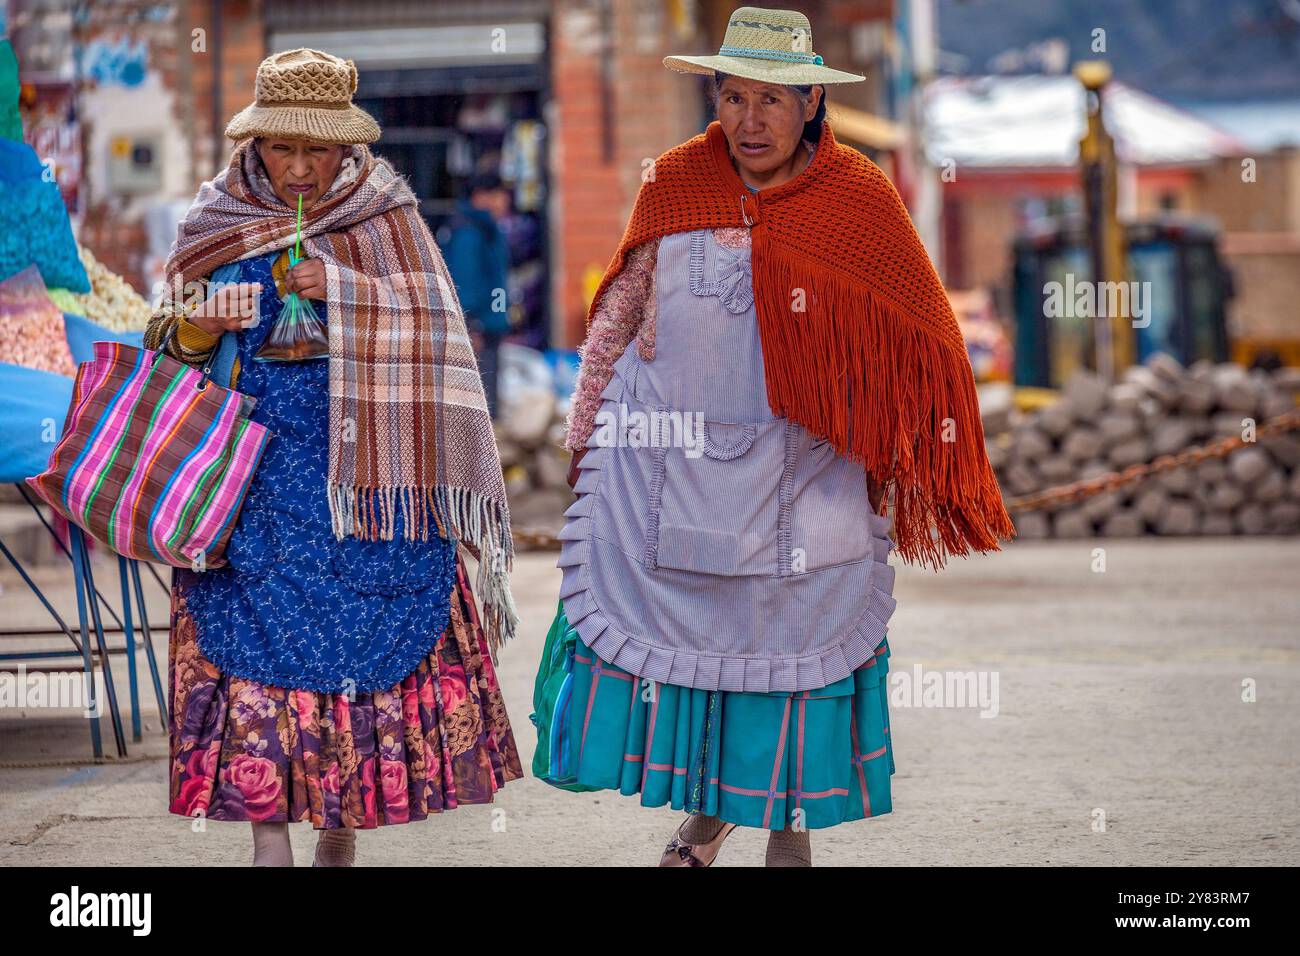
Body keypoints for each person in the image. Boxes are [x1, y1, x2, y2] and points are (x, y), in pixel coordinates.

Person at [531, 6, 1014, 867]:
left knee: (794, 645)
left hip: (806, 470)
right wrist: (587, 432)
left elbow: (922, 331)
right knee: (709, 654)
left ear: (809, 106)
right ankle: (706, 822)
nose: (749, 121)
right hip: (676, 468)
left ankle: (786, 835)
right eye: (732, 97)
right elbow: (621, 307)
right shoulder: (676, 181)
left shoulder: (857, 196)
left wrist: (907, 445)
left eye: (771, 101)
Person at [145, 48, 522, 866]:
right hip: (249, 484)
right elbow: (164, 349)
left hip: (367, 487)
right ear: (257, 143)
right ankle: (269, 838)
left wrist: (345, 291)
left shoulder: (386, 217)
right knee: (252, 660)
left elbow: (436, 331)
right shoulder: (216, 217)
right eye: (285, 148)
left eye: (319, 151)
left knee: (356, 658)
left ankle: (338, 826)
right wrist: (200, 325)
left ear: (349, 149)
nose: (302, 167)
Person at [445, 172, 513, 419]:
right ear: (479, 197)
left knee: (490, 399)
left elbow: (496, 280)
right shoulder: (469, 233)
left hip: (491, 325)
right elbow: (466, 282)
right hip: (478, 330)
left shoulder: (488, 230)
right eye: (497, 195)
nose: (503, 202)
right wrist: (471, 325)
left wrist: (501, 314)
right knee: (478, 404)